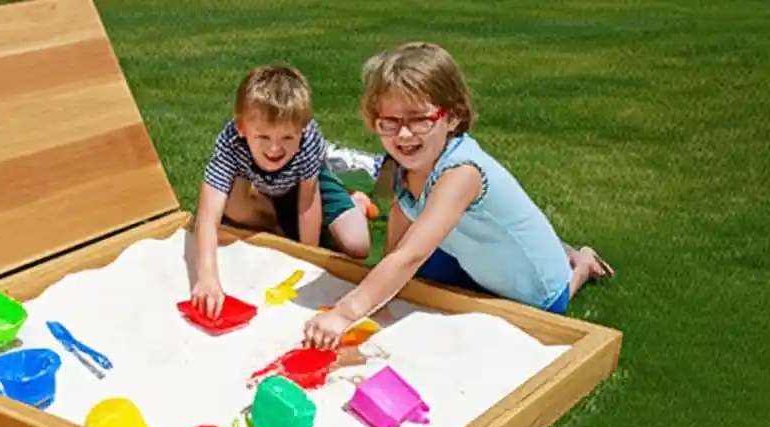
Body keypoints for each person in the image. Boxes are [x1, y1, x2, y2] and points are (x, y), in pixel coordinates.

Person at [303, 42, 614, 348]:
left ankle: (580, 267)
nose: (404, 134)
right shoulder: (400, 164)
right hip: (474, 257)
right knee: (410, 276)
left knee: (544, 306)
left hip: (532, 288)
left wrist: (345, 313)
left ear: (451, 117)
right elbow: (401, 215)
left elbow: (410, 254)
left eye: (420, 119)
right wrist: (384, 278)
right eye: (390, 121)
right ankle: (561, 248)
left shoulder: (462, 172)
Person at [191, 65, 373, 319]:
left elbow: (308, 202)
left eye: (287, 138)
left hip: (308, 184)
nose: (274, 148)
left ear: (302, 129)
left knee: (357, 245)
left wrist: (305, 259)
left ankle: (357, 202)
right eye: (263, 137)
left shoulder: (310, 139)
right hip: (266, 188)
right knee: (230, 204)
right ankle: (277, 221)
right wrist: (207, 278)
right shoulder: (230, 142)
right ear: (242, 127)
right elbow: (207, 217)